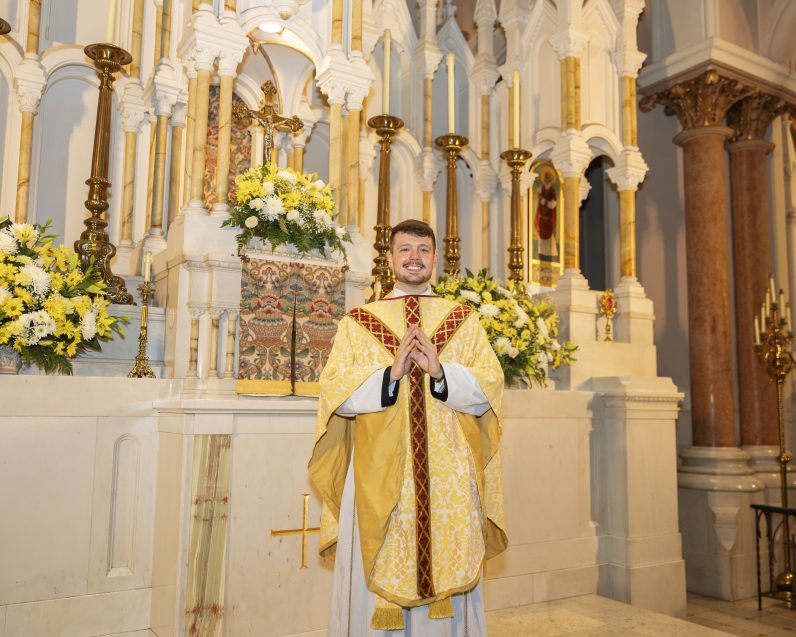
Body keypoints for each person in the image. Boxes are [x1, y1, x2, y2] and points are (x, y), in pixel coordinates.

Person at [309, 219, 507, 636]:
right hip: (377, 474)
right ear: (391, 259)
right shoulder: (359, 322)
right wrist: (390, 375)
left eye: (422, 249)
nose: (414, 257)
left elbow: (489, 390)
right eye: (405, 249)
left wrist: (439, 372)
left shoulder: (463, 320)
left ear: (435, 258)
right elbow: (335, 398)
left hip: (449, 474)